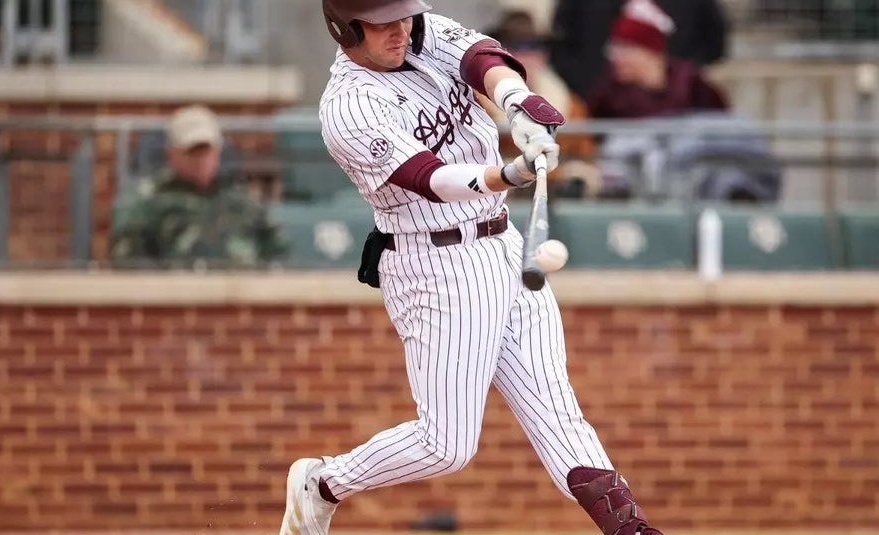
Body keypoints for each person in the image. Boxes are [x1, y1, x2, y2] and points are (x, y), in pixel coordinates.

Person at [279, 2, 666, 535]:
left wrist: (518, 104)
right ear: (346, 27)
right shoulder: (347, 106)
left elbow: (483, 57)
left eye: (404, 15)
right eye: (382, 21)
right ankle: (323, 483)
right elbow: (427, 178)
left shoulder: (419, 32)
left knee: (561, 419)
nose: (400, 29)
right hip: (435, 263)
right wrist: (505, 172)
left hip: (502, 241)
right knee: (447, 445)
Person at [110, 105, 288, 268]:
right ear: (171, 153)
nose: (201, 160)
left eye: (206, 151)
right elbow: (128, 260)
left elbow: (277, 253)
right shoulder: (147, 200)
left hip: (240, 295)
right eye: (192, 152)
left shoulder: (243, 199)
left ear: (218, 152)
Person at [586, 0, 728, 119]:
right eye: (615, 49)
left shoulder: (692, 85)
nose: (618, 58)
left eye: (627, 49)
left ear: (651, 52)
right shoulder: (609, 96)